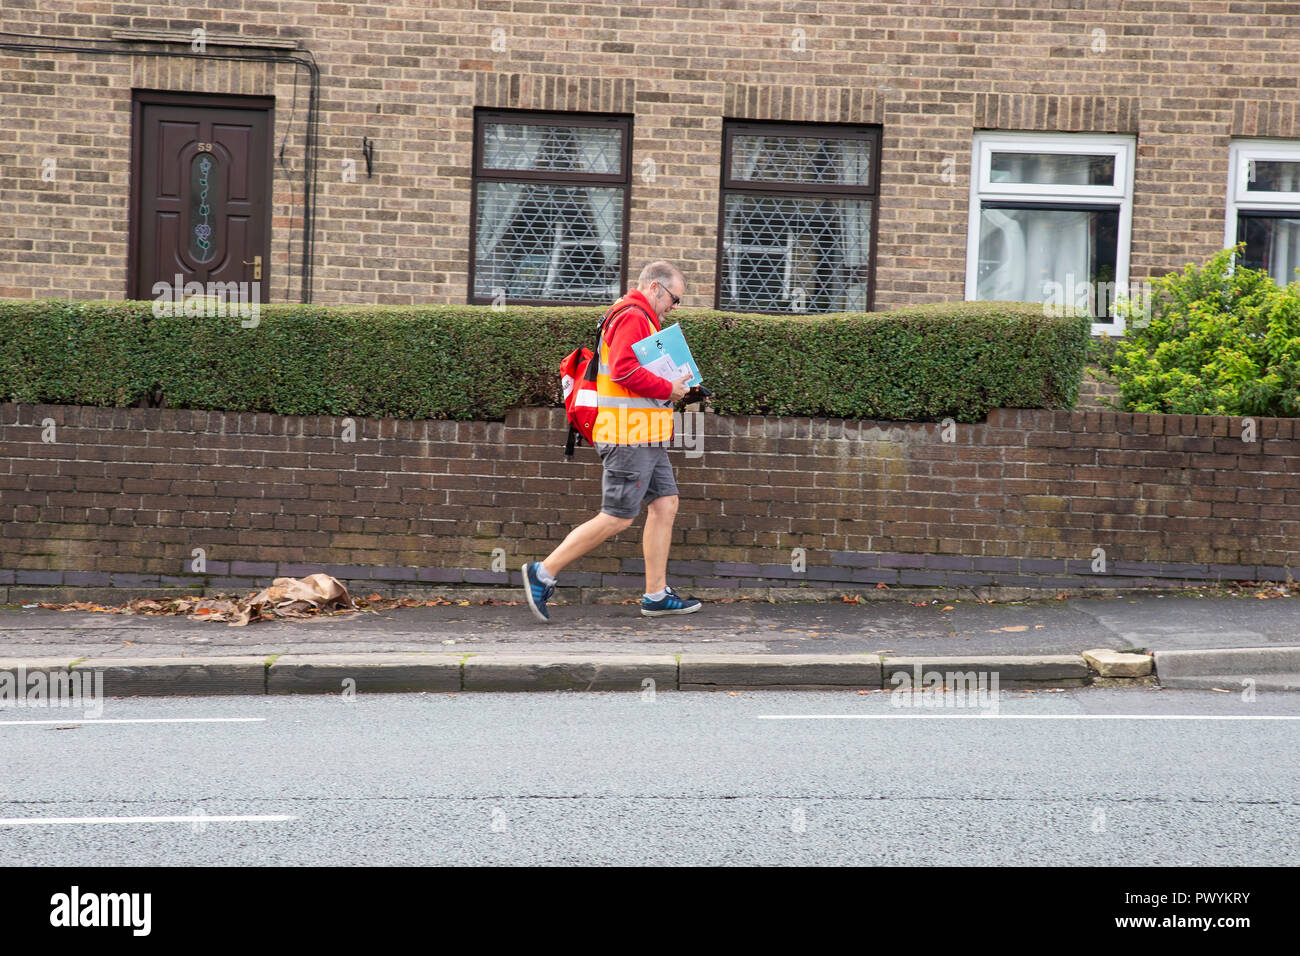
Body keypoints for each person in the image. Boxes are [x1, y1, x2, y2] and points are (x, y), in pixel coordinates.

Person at [522, 261, 702, 622]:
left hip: (645, 433)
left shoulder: (641, 318)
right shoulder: (634, 315)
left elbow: (634, 371)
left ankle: (655, 594)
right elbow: (622, 370)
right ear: (654, 288)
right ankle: (542, 573)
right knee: (617, 517)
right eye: (674, 298)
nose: (675, 306)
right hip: (627, 435)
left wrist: (684, 387)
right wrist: (670, 388)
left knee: (665, 504)